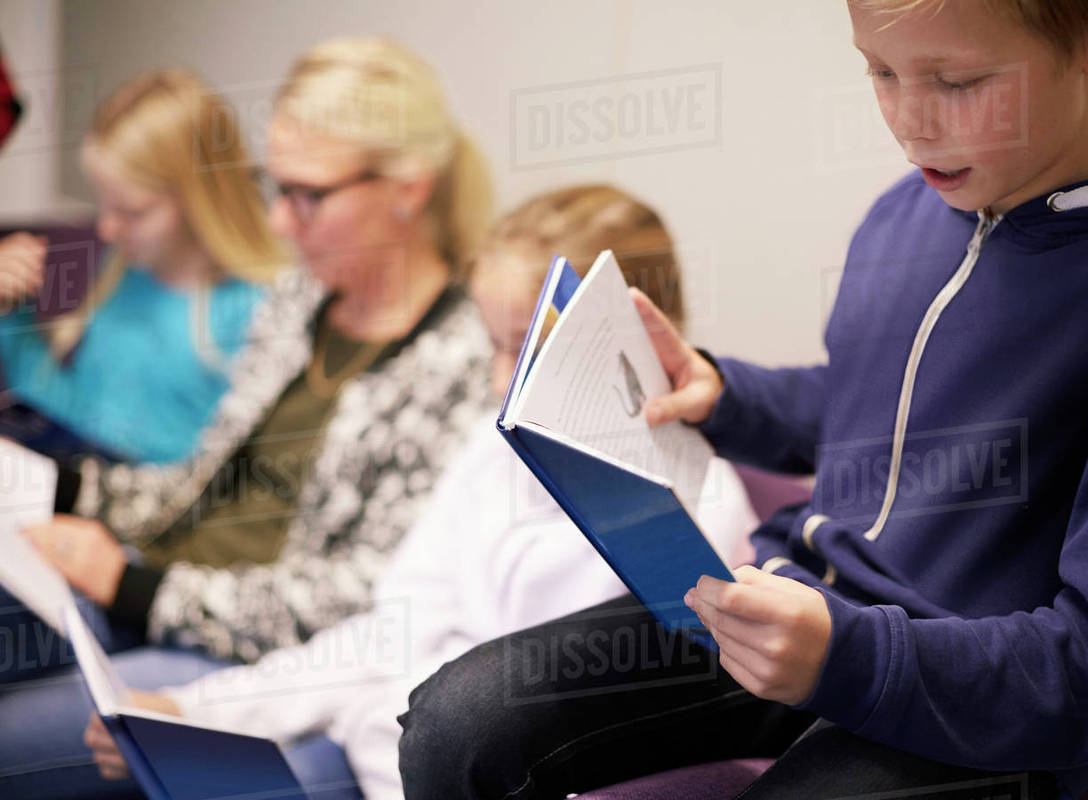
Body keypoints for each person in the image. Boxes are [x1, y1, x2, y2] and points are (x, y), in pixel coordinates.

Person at [395, 2, 1088, 799]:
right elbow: (868, 413)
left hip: (979, 701)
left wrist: (850, 658)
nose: (910, 122)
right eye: (880, 72)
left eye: (956, 81)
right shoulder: (905, 213)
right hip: (801, 599)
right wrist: (724, 395)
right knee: (456, 725)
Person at [79, 183, 761, 800]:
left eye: (524, 351)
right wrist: (199, 710)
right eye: (494, 347)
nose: (500, 384)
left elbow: (599, 728)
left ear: (635, 340)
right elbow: (396, 627)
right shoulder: (489, 454)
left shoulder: (699, 510)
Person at [0, 37, 493, 798]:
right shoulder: (304, 300)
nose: (279, 221)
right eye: (275, 186)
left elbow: (370, 603)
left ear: (407, 188)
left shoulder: (464, 360)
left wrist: (140, 590)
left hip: (243, 652)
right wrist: (60, 492)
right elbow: (203, 478)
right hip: (157, 585)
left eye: (307, 194)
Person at [0, 68, 283, 464]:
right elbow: (74, 414)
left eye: (131, 211)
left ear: (197, 199)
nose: (106, 228)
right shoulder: (129, 269)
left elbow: (223, 486)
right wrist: (11, 311)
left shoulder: (253, 309)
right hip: (74, 480)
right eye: (103, 203)